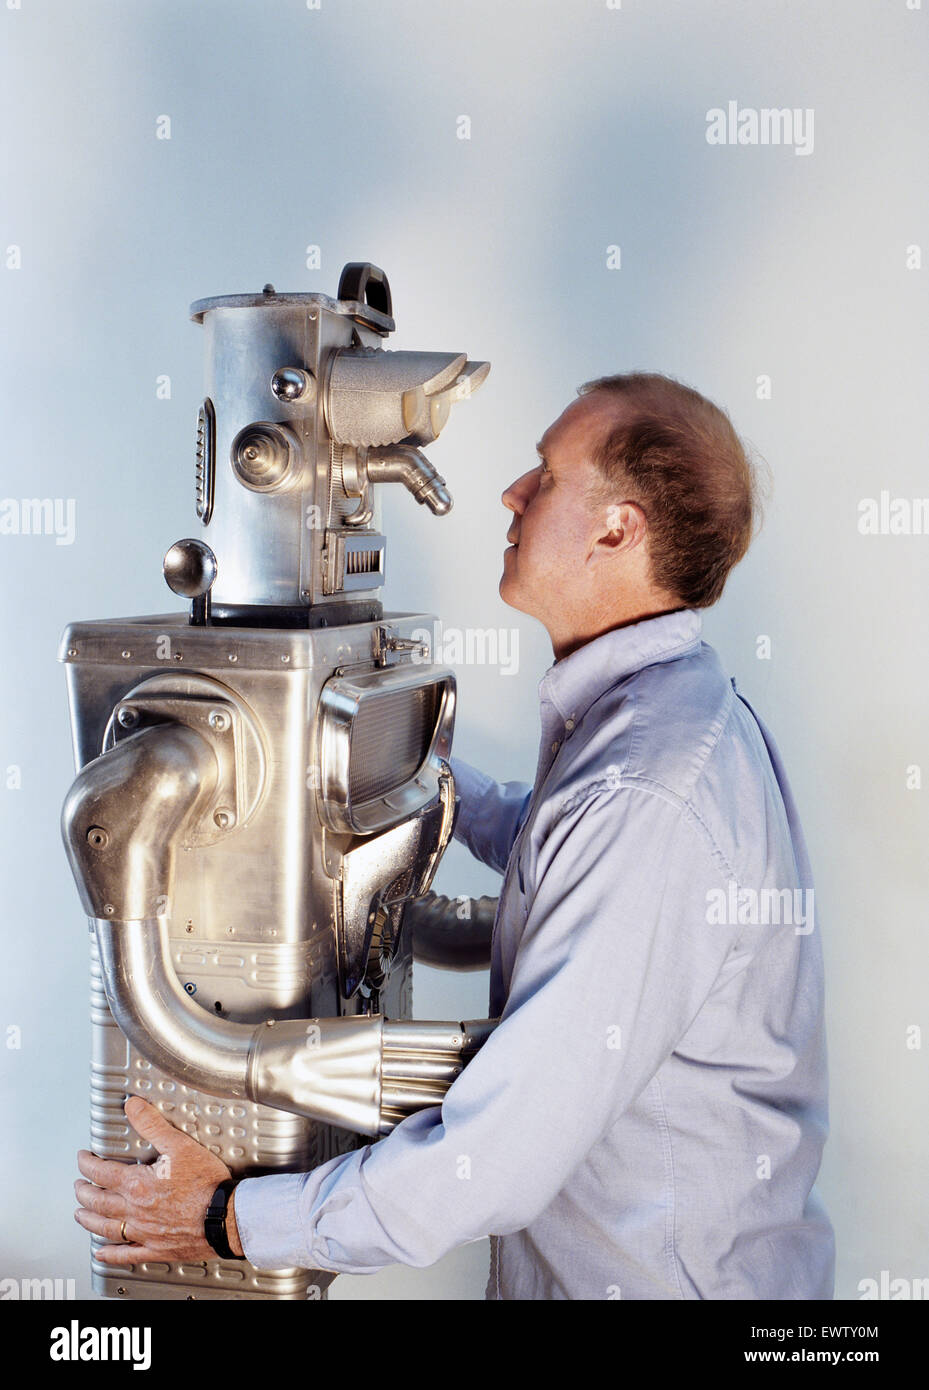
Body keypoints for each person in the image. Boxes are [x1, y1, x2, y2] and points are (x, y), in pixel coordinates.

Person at [74, 373, 834, 1300]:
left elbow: (501, 1149)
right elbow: (549, 841)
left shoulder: (649, 790)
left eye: (546, 475)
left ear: (616, 529)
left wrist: (229, 1221)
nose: (513, 492)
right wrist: (372, 762)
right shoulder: (660, 723)